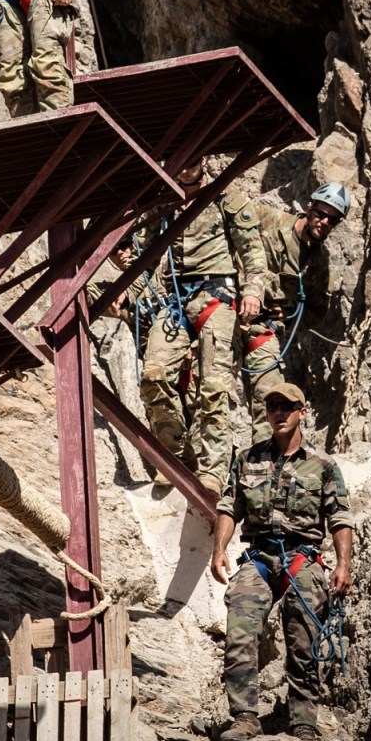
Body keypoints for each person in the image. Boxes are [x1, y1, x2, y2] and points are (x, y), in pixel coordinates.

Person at [210, 382, 354, 741]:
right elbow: (229, 507)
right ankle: (244, 718)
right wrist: (219, 549)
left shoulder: (322, 466)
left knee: (302, 630)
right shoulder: (246, 459)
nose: (279, 412)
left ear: (301, 412)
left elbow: (339, 517)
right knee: (240, 619)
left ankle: (303, 721)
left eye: (287, 407)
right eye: (273, 406)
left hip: (303, 557)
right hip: (259, 556)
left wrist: (343, 564)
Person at [136, 159, 266, 493]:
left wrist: (252, 291)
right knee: (154, 373)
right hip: (175, 299)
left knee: (214, 386)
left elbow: (252, 253)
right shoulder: (165, 206)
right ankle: (176, 456)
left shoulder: (226, 199)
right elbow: (146, 258)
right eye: (180, 161)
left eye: (192, 161)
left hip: (216, 297)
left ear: (205, 160)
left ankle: (213, 470)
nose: (185, 169)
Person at [227, 183, 349, 443]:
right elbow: (231, 219)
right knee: (208, 394)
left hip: (263, 331)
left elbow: (317, 310)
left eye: (333, 219)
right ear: (309, 208)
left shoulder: (318, 264)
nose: (325, 222)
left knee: (271, 403)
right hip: (226, 313)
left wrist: (290, 317)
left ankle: (261, 467)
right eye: (321, 213)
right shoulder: (267, 218)